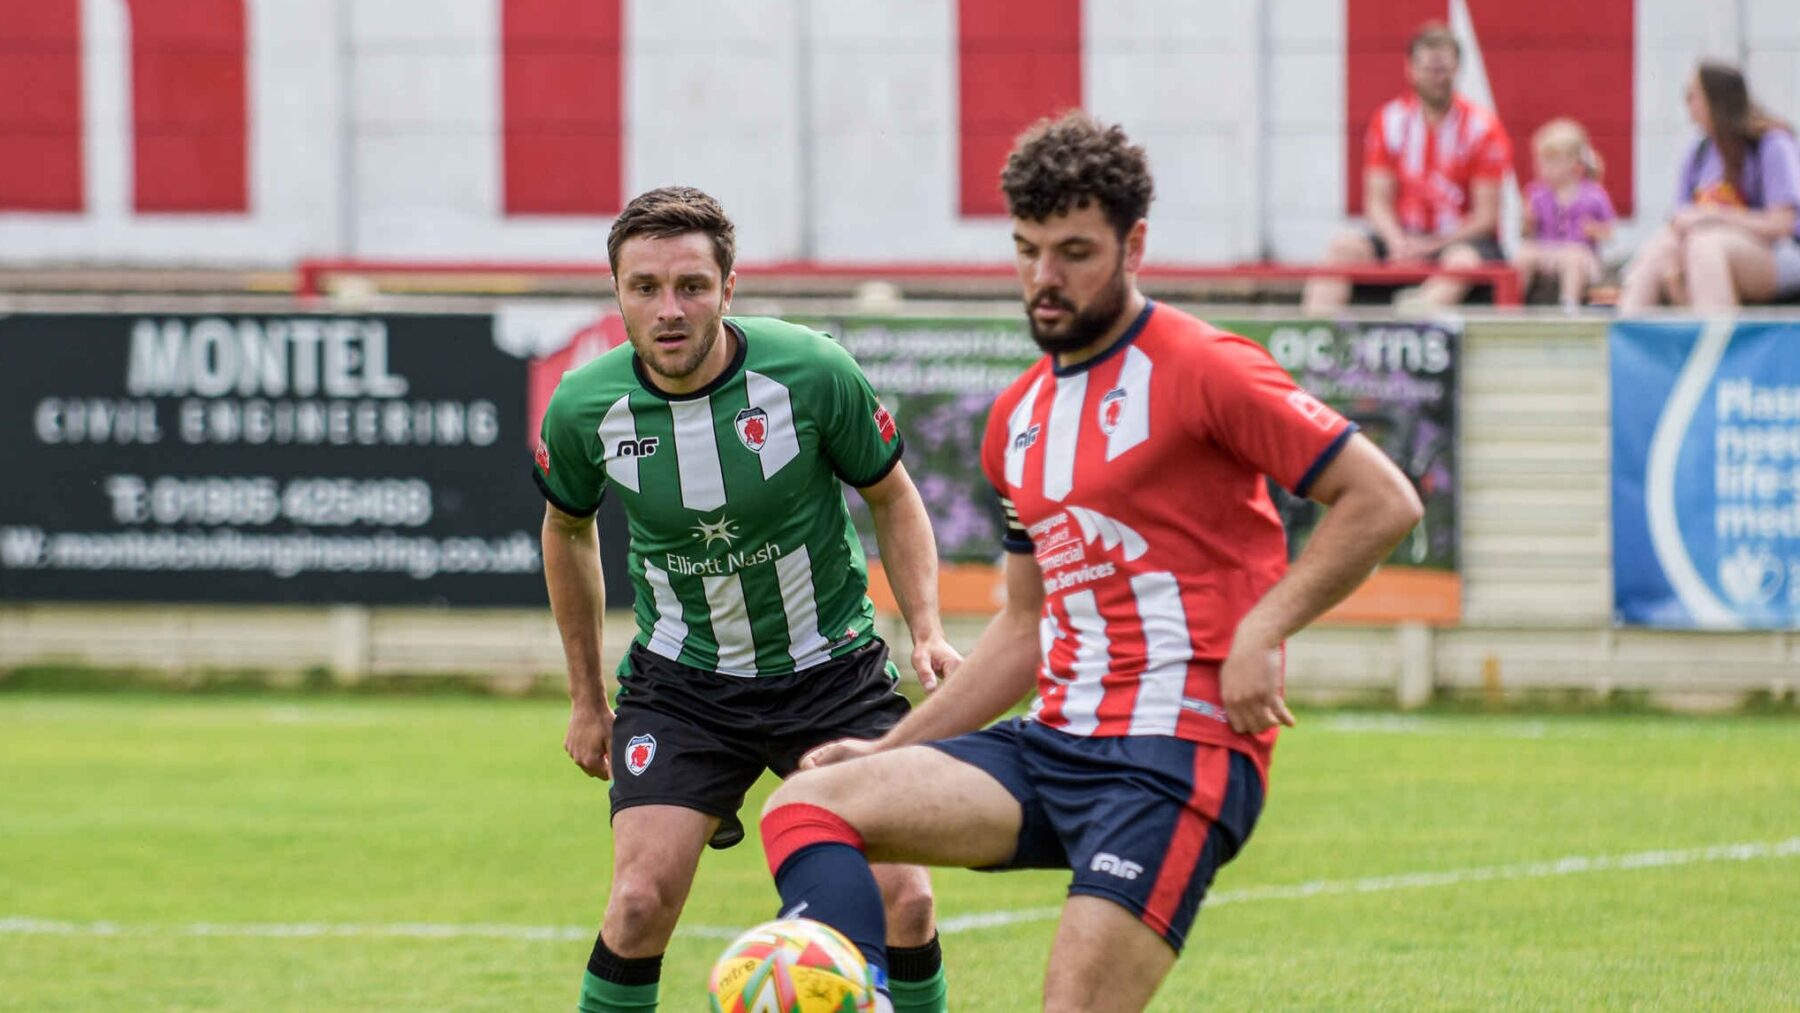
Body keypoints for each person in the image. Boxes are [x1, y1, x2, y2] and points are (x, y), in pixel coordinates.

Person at [758, 113, 1424, 1012]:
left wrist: (1265, 625)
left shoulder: (1205, 367)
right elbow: (1025, 626)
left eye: (1072, 250)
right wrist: (892, 745)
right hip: (1055, 744)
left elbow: (1383, 499)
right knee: (809, 803)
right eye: (1028, 249)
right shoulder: (1017, 419)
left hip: (1176, 755)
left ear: (1133, 243)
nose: (1044, 278)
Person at [534, 186, 960, 1013]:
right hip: (683, 684)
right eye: (645, 286)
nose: (669, 308)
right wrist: (587, 698)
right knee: (636, 903)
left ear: (729, 290)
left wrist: (928, 628)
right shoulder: (584, 408)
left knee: (905, 901)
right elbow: (567, 530)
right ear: (616, 291)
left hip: (831, 672)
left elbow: (894, 496)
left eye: (691, 285)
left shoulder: (810, 371)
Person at [1302, 22, 1513, 313]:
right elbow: (1376, 202)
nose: (1436, 78)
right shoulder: (1389, 121)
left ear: (1457, 70)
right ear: (1410, 69)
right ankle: (1311, 339)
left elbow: (1486, 217)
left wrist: (1430, 246)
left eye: (1443, 70)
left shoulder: (1482, 127)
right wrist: (1397, 241)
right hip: (1401, 237)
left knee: (1461, 263)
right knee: (1342, 248)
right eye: (1429, 69)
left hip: (1456, 243)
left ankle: (1409, 322)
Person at [1618, 61, 1800, 313]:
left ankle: (1717, 344)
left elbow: (1782, 224)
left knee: (1706, 246)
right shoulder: (1700, 150)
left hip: (1777, 254)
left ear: (1717, 100)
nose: (1687, 103)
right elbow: (1681, 219)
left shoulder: (1771, 143)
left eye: (1693, 94)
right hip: (1701, 251)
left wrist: (1713, 216)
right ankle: (1626, 336)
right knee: (1661, 246)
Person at [1513, 118, 1617, 310]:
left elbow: (1609, 231)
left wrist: (1595, 230)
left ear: (1574, 164)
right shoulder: (1536, 194)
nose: (1545, 169)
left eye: (1552, 163)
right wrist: (1527, 222)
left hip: (1582, 255)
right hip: (1548, 250)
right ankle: (1512, 303)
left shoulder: (1593, 194)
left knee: (1573, 257)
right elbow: (1526, 235)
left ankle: (1569, 304)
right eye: (1542, 162)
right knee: (1524, 254)